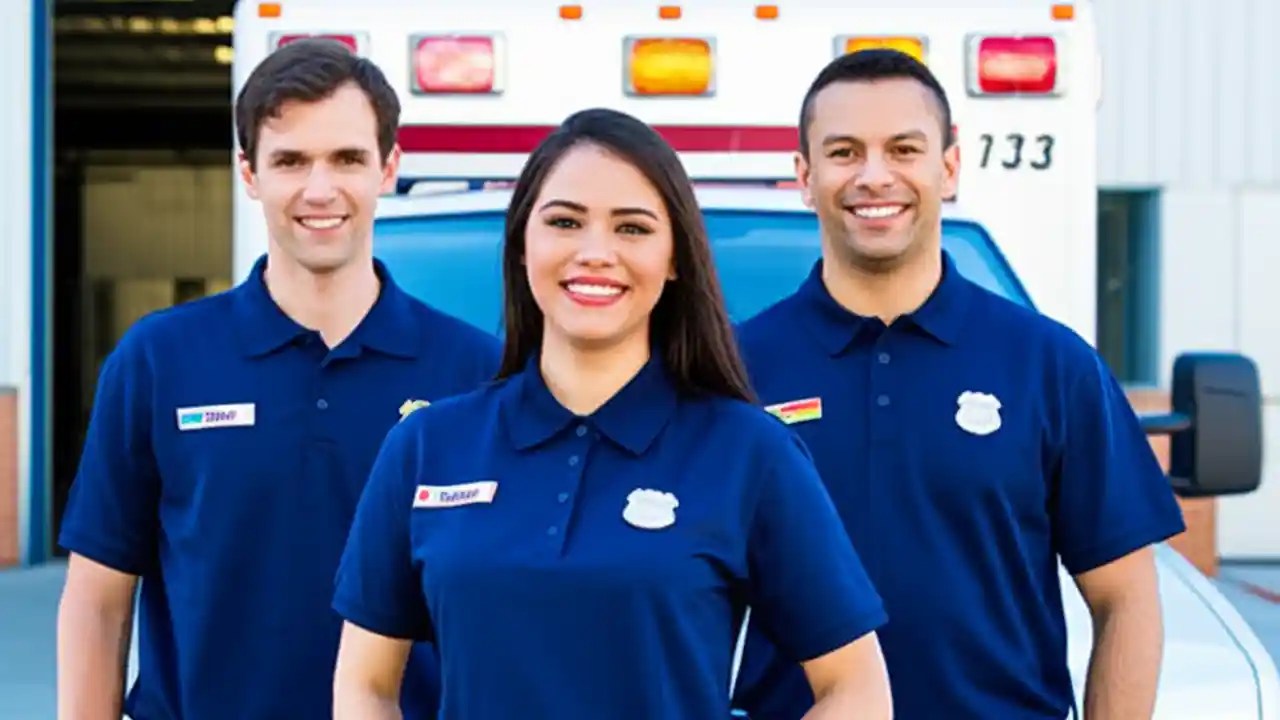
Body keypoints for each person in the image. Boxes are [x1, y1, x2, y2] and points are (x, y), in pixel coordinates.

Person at [328, 106, 894, 719]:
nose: (595, 252)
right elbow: (366, 685)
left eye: (632, 228)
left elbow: (856, 689)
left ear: (676, 258)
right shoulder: (425, 447)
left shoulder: (750, 453)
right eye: (565, 222)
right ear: (522, 243)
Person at [729, 48, 1187, 720]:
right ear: (805, 175)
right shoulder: (736, 372)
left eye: (903, 149)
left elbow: (1125, 599)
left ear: (948, 167)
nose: (874, 176)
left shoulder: (1050, 366)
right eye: (845, 152)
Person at [55, 38, 498, 720]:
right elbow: (98, 599)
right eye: (291, 160)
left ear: (388, 167)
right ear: (249, 173)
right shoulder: (159, 359)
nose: (319, 190)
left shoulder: (474, 372)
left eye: (347, 159)